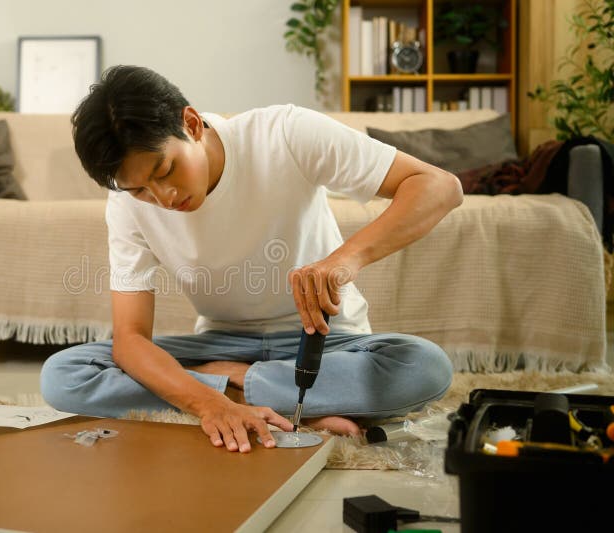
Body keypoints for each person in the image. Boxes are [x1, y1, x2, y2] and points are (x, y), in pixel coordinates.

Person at [41, 65, 461, 453]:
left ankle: (239, 385)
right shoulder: (128, 206)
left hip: (324, 341)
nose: (162, 198)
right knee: (66, 373)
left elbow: (439, 186)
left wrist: (344, 260)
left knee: (423, 367)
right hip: (220, 340)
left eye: (165, 170)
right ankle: (274, 401)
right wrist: (209, 403)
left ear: (191, 124)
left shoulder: (285, 133)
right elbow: (130, 339)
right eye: (139, 190)